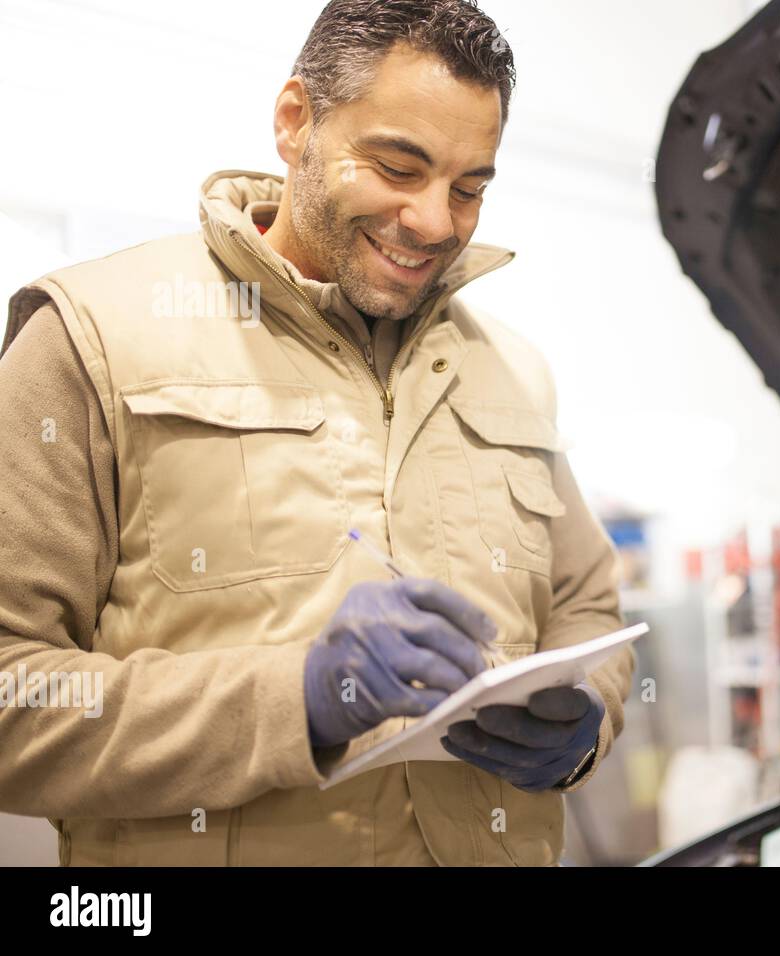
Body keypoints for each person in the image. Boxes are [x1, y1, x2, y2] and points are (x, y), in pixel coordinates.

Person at [0, 0, 634, 866]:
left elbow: (587, 606)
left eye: (470, 187)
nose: (436, 222)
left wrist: (584, 715)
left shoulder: (512, 370)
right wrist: (293, 698)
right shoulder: (93, 338)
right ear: (296, 122)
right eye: (397, 167)